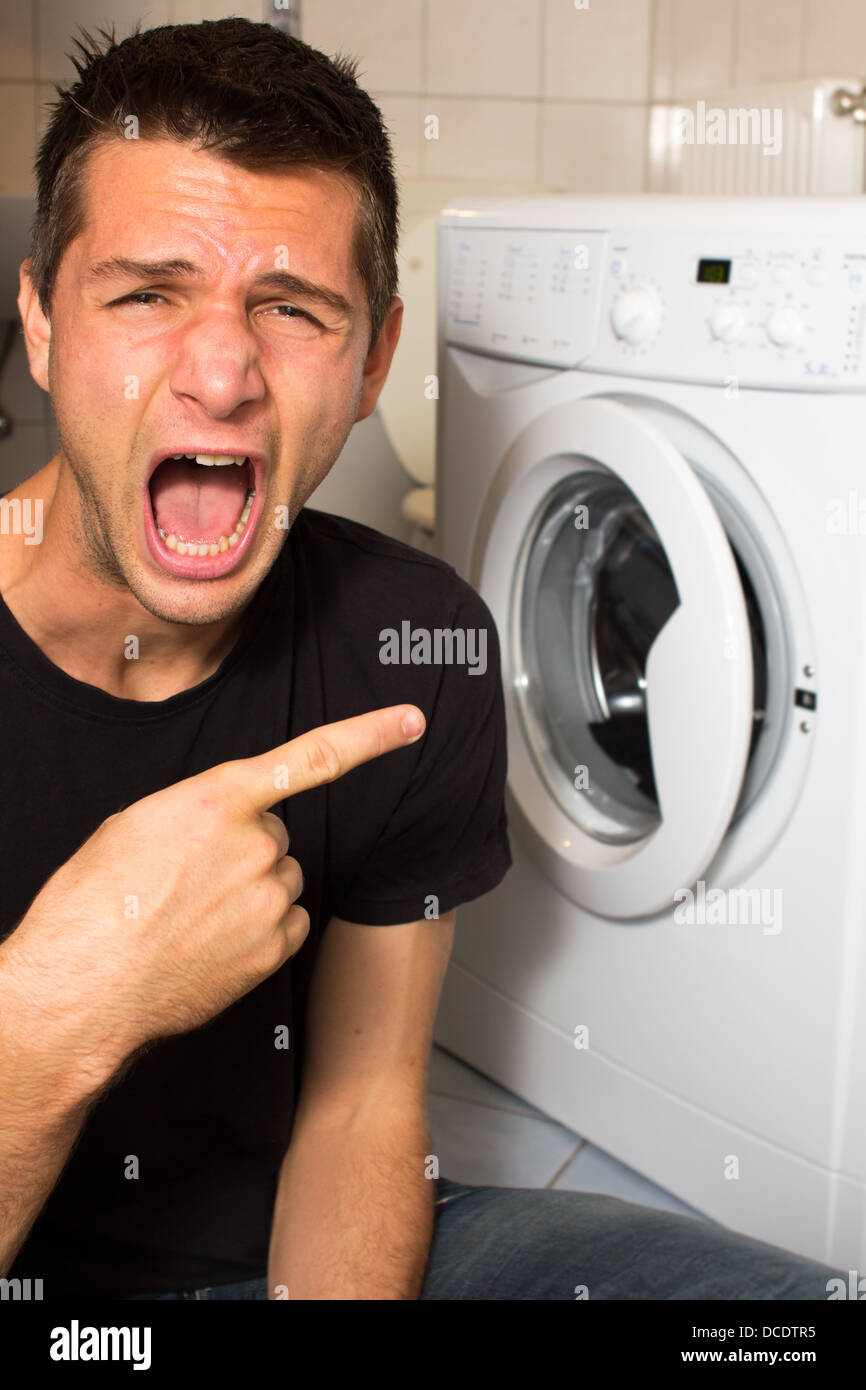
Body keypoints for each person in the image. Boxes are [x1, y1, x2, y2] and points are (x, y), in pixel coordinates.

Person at [0, 18, 842, 1302]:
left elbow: (358, 1109)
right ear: (44, 324)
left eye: (290, 310)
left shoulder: (417, 651)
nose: (220, 372)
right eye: (145, 294)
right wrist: (65, 1001)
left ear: (373, 360)